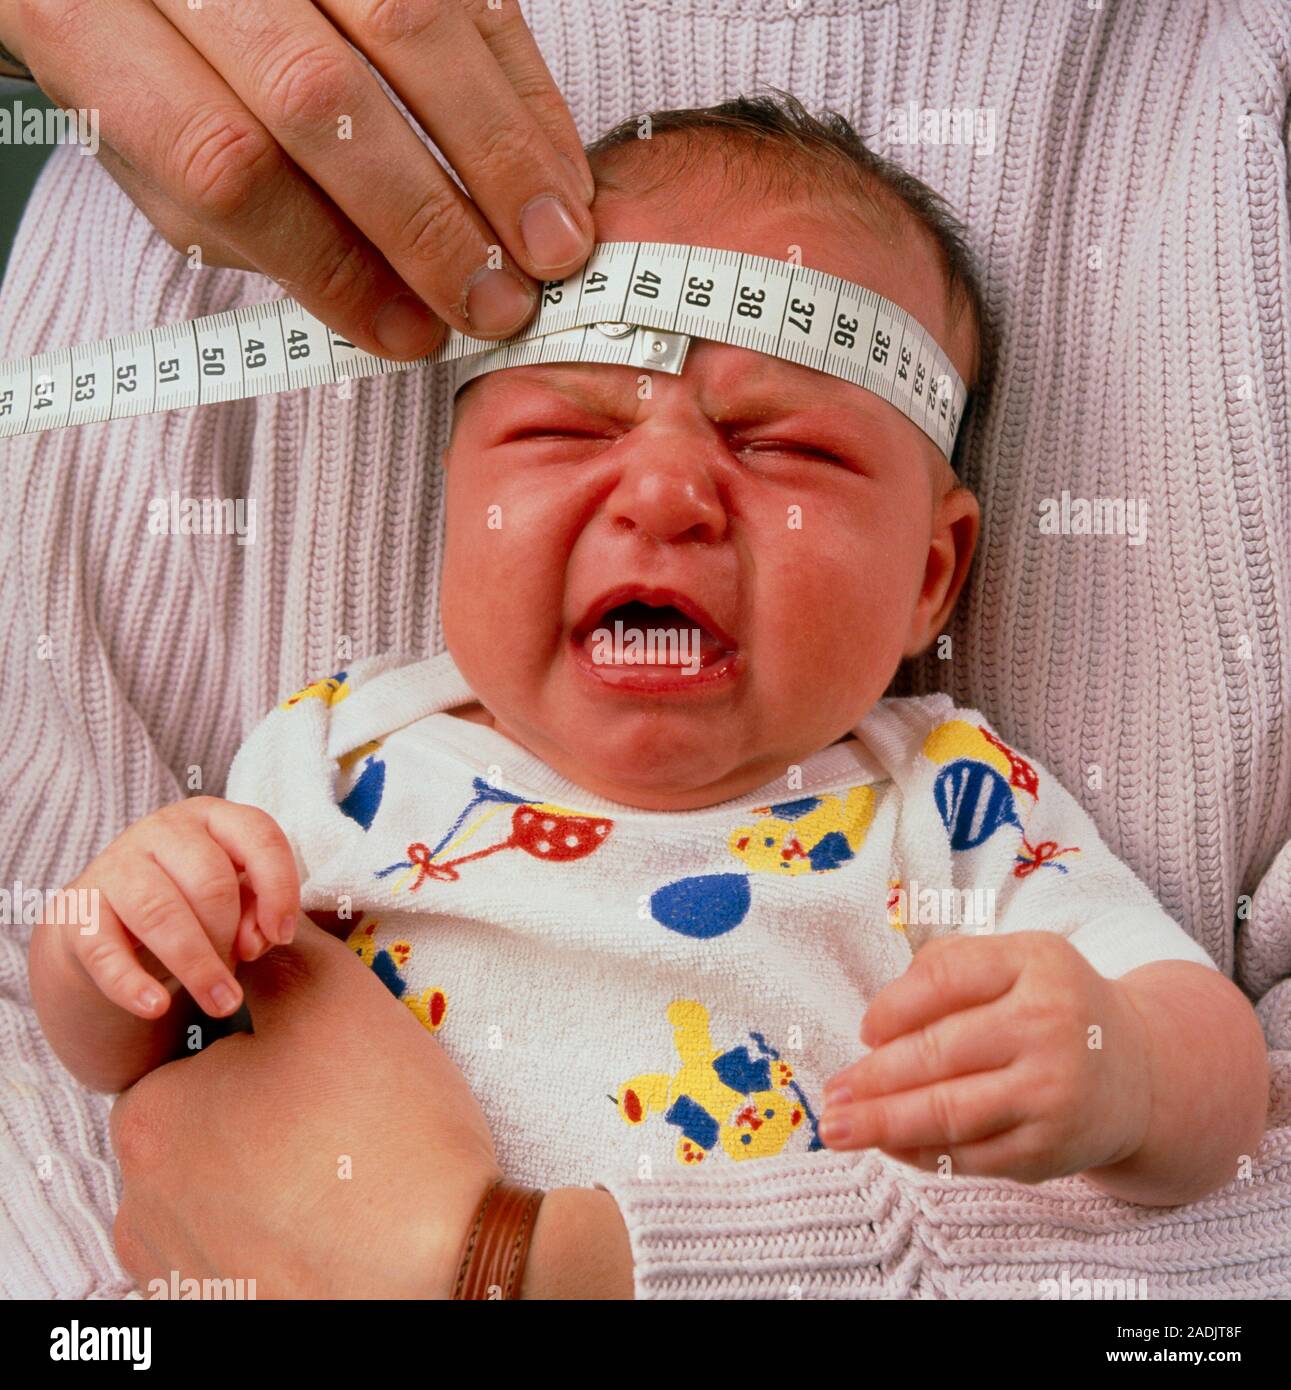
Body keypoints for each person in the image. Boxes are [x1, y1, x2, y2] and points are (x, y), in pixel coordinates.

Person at [4, 0, 1289, 1302]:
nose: (667, 491)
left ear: (931, 575)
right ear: (453, 501)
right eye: (568, 431)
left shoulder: (952, 808)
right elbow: (107, 1042)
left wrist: (1120, 1062)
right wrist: (116, 935)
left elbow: (1227, 1079)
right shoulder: (337, 753)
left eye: (786, 445)